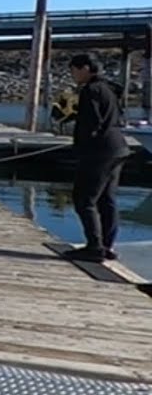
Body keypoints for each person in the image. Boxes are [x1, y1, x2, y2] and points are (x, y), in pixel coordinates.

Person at [64, 53, 129, 262]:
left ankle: (94, 246)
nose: (73, 75)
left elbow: (91, 123)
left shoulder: (91, 90)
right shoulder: (109, 88)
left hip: (98, 150)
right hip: (118, 147)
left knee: (84, 199)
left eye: (73, 70)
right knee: (107, 200)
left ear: (84, 68)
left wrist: (80, 145)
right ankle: (106, 246)